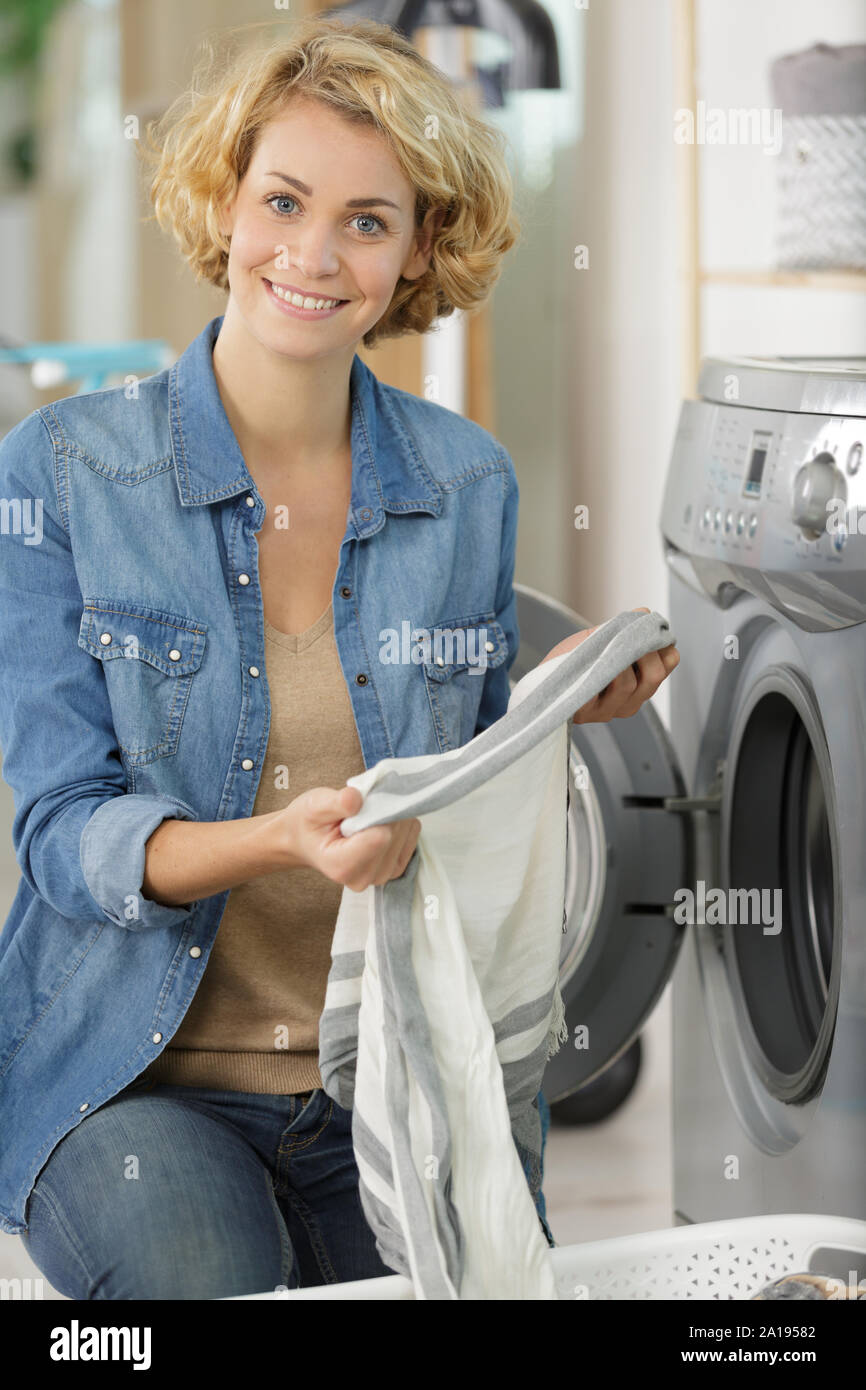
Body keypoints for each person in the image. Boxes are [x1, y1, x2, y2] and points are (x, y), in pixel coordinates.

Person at [0, 15, 677, 1300]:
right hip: (135, 1081)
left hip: (388, 1073)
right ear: (225, 199)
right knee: (211, 1285)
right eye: (284, 201)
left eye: (366, 220)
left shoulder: (463, 479)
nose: (310, 255)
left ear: (420, 246)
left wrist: (556, 708)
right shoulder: (65, 475)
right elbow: (64, 836)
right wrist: (275, 840)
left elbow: (457, 808)